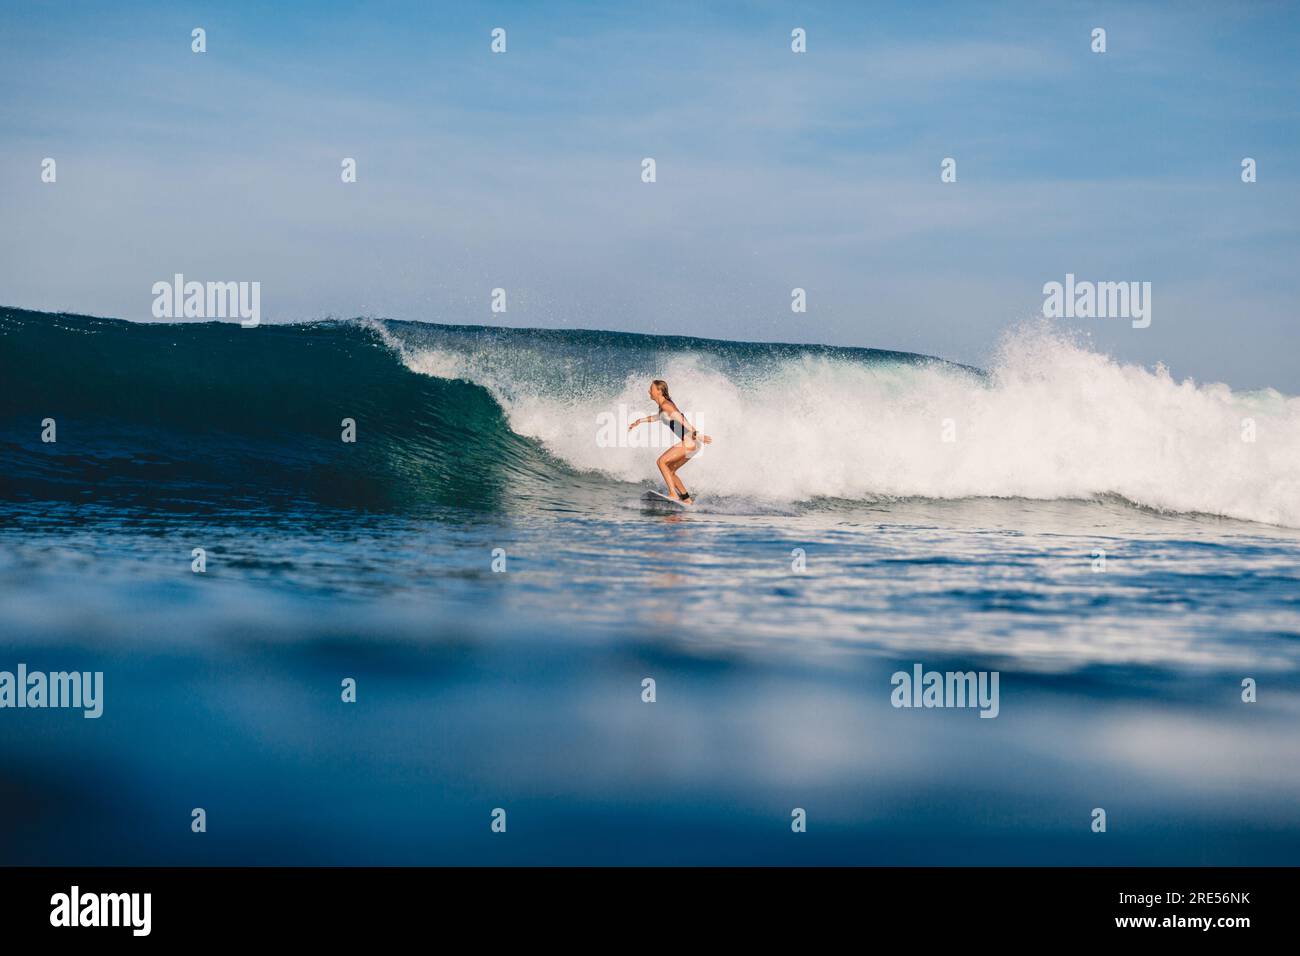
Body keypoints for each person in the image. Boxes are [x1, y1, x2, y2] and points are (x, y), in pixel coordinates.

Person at [627, 379, 712, 502]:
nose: (649, 391)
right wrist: (639, 421)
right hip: (694, 444)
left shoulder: (666, 405)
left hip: (690, 441)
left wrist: (697, 433)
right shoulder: (663, 407)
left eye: (651, 389)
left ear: (659, 391)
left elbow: (681, 419)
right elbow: (658, 417)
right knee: (670, 471)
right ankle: (687, 499)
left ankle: (673, 494)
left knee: (661, 462)